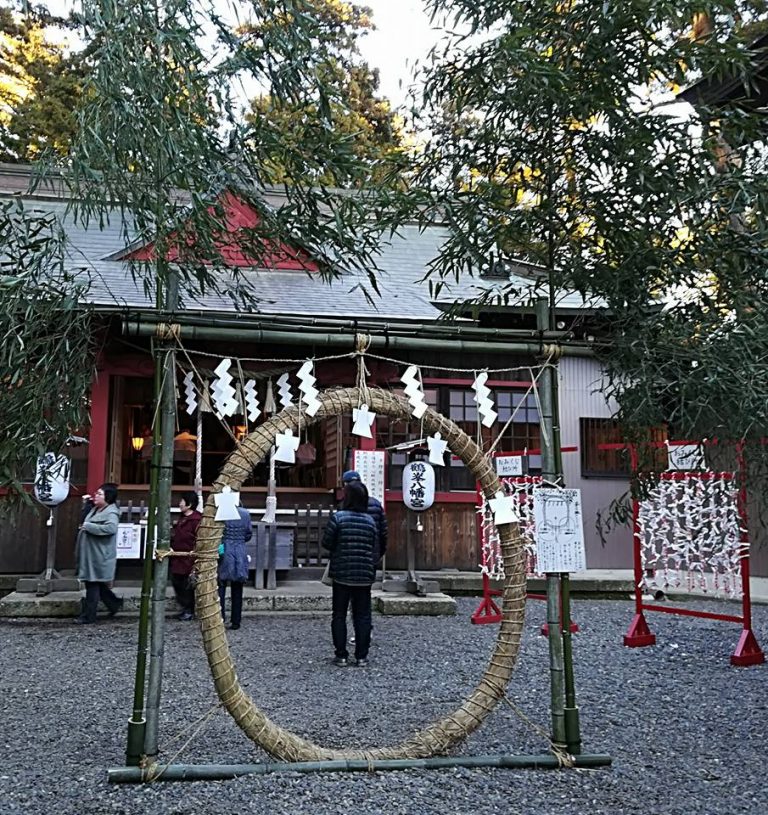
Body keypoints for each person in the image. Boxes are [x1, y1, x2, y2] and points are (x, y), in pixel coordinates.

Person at [322, 480, 378, 667]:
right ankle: (361, 655)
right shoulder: (370, 521)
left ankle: (341, 655)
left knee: (339, 614)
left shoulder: (339, 518)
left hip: (342, 573)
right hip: (363, 574)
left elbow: (327, 543)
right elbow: (374, 546)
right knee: (362, 615)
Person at [74, 483, 123, 624]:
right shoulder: (95, 509)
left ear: (108, 497)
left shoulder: (111, 513)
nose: (96, 496)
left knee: (92, 584)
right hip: (92, 554)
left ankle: (89, 615)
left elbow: (111, 528)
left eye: (100, 494)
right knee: (97, 584)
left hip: (99, 555)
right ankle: (114, 603)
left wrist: (89, 527)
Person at [218, 500, 253, 631]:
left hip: (224, 550)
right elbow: (248, 534)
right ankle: (236, 620)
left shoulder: (222, 513)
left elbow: (217, 533)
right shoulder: (246, 514)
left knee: (220, 586)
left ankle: (220, 618)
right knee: (237, 587)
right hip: (240, 550)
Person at [341, 470, 388, 563]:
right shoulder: (376, 504)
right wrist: (379, 552)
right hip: (370, 552)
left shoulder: (343, 506)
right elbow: (383, 533)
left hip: (347, 554)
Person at [170, 491, 202, 621]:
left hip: (189, 557)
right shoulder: (182, 518)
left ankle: (189, 609)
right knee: (177, 582)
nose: (180, 503)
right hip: (177, 556)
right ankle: (185, 607)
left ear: (189, 504)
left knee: (187, 585)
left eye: (182, 501)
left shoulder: (196, 520)